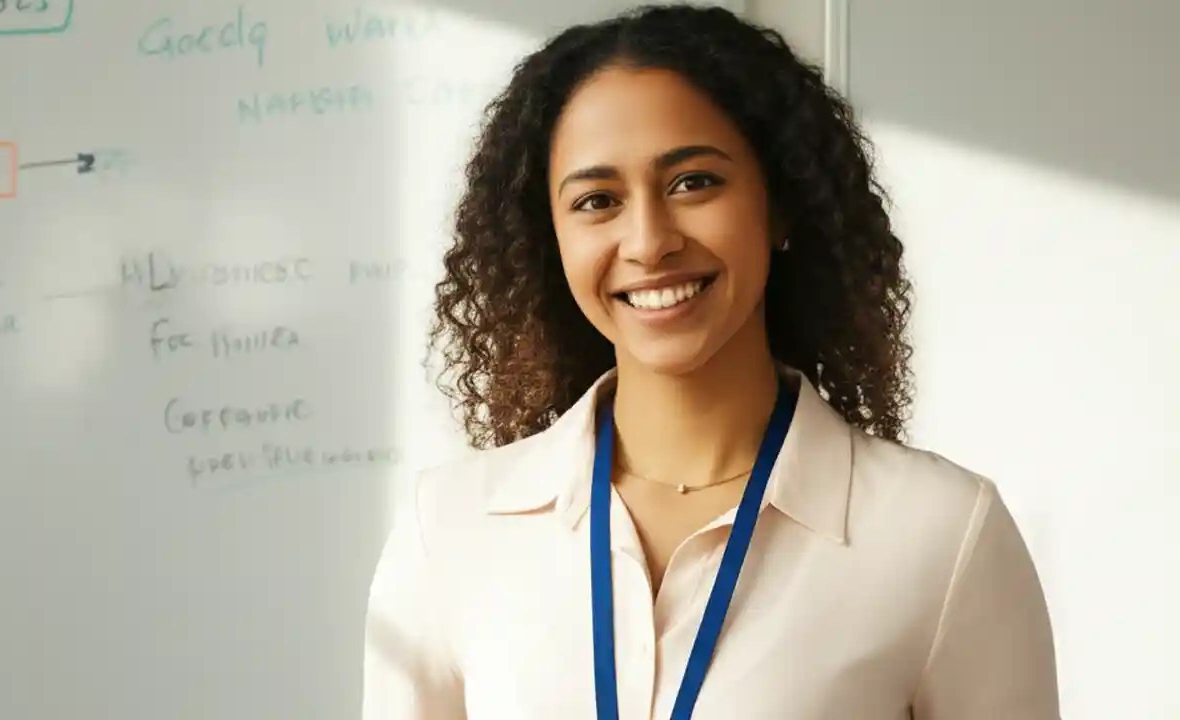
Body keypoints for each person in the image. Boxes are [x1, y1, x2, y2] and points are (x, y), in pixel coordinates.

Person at [362, 4, 1059, 718]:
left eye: (693, 182)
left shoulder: (941, 534)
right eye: (597, 200)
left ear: (779, 204)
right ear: (551, 238)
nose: (648, 242)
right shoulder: (448, 530)